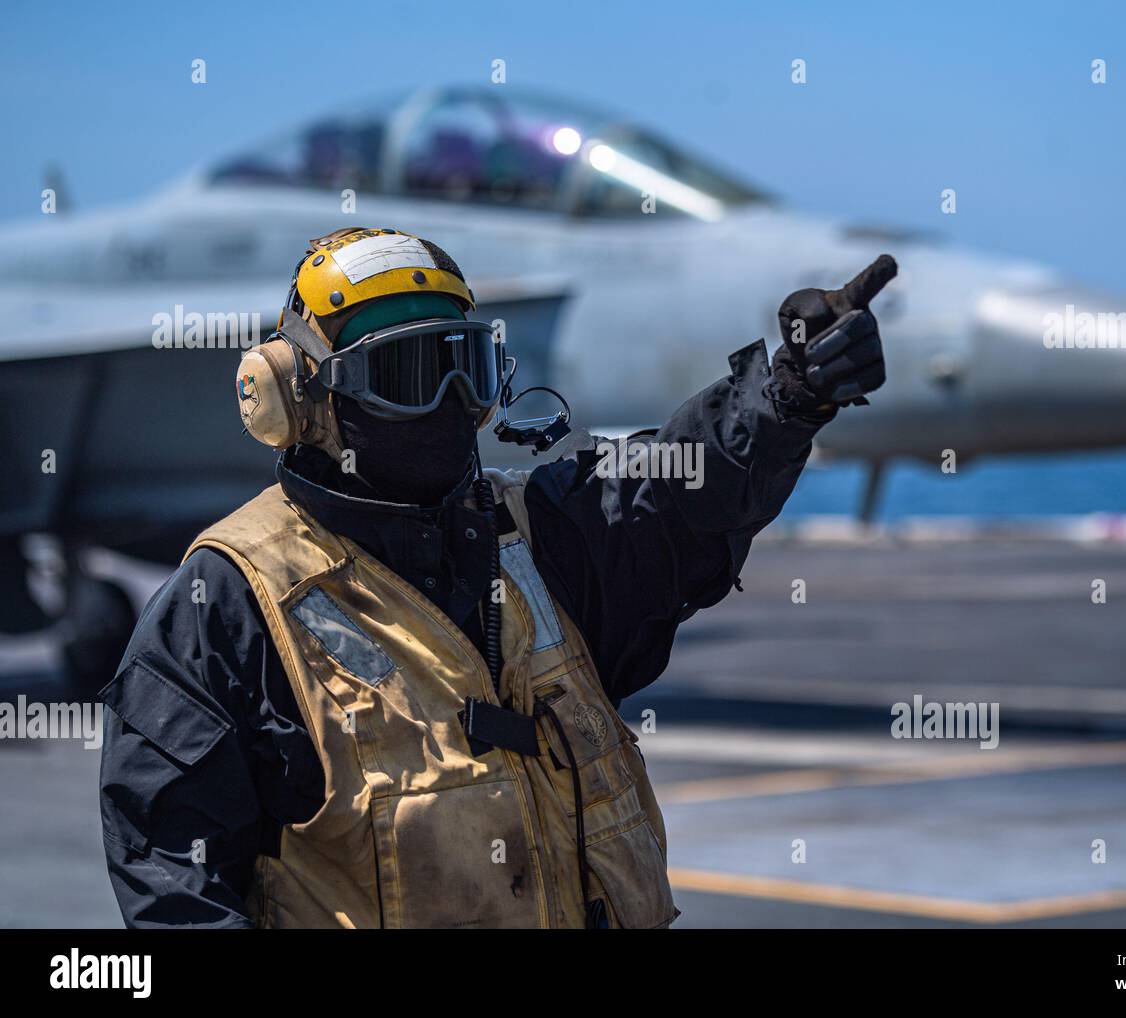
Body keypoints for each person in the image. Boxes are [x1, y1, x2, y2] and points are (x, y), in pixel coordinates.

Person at [97, 226, 896, 928]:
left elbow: (677, 493)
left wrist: (790, 390)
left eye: (466, 366)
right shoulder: (230, 605)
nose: (451, 403)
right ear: (307, 401)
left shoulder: (541, 537)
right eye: (411, 375)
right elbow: (175, 888)